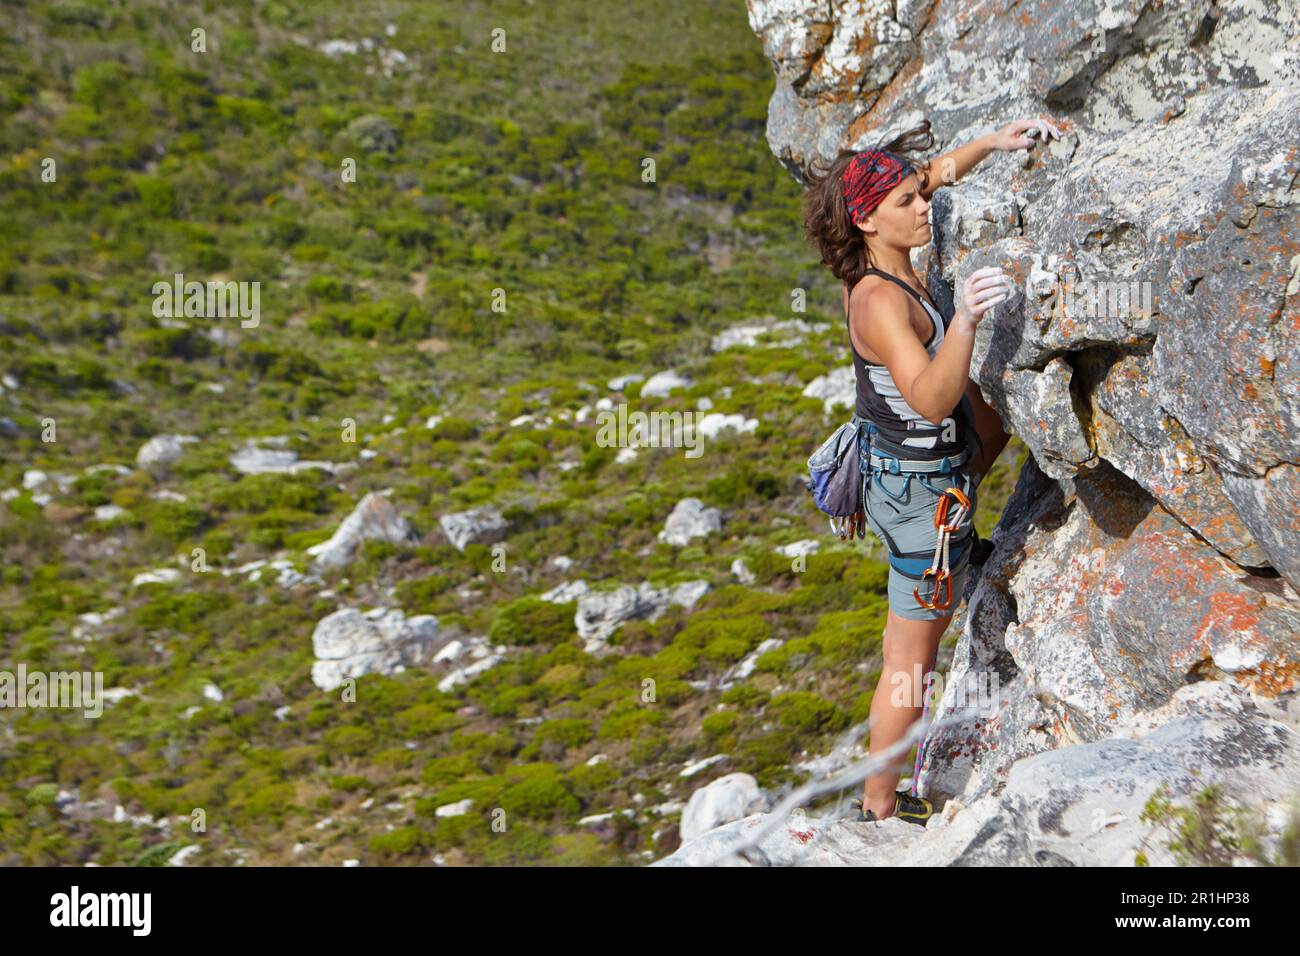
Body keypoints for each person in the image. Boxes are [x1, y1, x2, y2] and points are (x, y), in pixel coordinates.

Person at [801, 115, 1062, 825]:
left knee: (1000, 410)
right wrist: (970, 324)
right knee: (910, 662)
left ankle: (964, 547)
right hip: (919, 497)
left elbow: (941, 170)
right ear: (864, 219)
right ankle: (881, 808)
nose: (925, 209)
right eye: (907, 204)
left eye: (922, 195)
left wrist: (994, 143)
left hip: (920, 475)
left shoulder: (890, 260)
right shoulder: (882, 301)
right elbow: (930, 395)